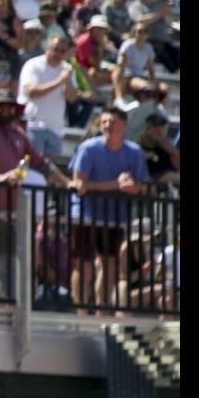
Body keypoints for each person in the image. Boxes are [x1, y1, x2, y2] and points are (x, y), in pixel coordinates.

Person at [0, 88, 70, 298]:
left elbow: (41, 163)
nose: (6, 111)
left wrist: (67, 182)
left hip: (8, 217)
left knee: (6, 273)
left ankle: (5, 316)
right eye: (1, 106)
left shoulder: (18, 134)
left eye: (10, 107)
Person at [68, 108, 148, 310]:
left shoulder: (135, 152)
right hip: (85, 215)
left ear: (124, 124)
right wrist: (115, 185)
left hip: (116, 216)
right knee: (83, 264)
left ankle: (102, 307)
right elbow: (79, 183)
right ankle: (81, 310)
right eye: (103, 122)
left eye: (112, 121)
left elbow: (141, 186)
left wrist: (132, 188)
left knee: (110, 263)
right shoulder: (88, 148)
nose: (107, 126)